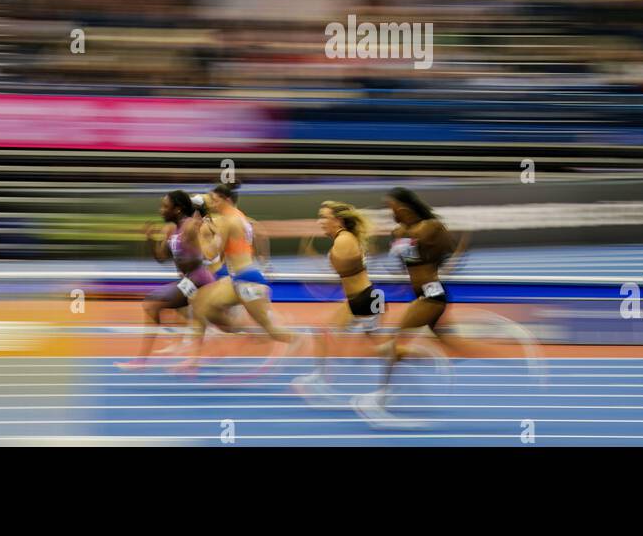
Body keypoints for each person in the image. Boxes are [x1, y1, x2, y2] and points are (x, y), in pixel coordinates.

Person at [351, 187, 458, 426]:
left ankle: (380, 399)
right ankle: (442, 357)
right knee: (455, 347)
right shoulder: (398, 231)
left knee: (393, 344)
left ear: (403, 207)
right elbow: (405, 265)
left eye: (390, 207)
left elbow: (445, 253)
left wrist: (439, 264)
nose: (390, 212)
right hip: (418, 293)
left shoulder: (431, 227)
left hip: (432, 294)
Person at [185, 181, 296, 370]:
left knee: (272, 330)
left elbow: (211, 254)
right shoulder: (240, 216)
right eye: (209, 199)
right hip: (239, 277)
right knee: (203, 306)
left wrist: (196, 237)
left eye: (214, 199)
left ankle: (299, 341)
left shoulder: (227, 221)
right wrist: (265, 260)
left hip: (247, 279)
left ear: (225, 199)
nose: (212, 202)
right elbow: (260, 232)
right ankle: (197, 356)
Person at [290, 201, 385, 407]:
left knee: (328, 335)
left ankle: (320, 381)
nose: (320, 222)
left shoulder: (343, 240)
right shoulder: (344, 238)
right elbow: (345, 272)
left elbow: (339, 272)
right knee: (373, 346)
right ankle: (320, 379)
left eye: (324, 217)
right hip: (364, 297)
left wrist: (312, 263)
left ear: (338, 220)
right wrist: (313, 258)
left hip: (363, 299)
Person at [115, 190, 214, 371]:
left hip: (199, 279)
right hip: (188, 281)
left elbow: (203, 254)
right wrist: (151, 238)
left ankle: (143, 361)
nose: (161, 210)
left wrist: (199, 230)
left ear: (177, 209)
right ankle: (191, 357)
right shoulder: (171, 230)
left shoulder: (190, 225)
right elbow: (161, 257)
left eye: (165, 207)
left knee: (153, 305)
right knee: (155, 306)